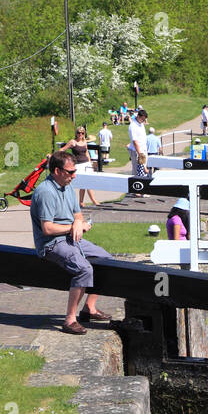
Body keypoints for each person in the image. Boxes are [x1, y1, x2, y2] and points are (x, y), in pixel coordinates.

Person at [30, 151, 114, 334]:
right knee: (84, 269)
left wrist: (78, 223)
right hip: (51, 243)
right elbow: (48, 229)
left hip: (70, 238)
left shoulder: (67, 185)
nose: (74, 175)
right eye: (70, 171)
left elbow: (77, 214)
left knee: (107, 260)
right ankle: (69, 320)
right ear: (57, 171)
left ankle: (89, 308)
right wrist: (72, 227)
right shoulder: (45, 192)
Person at [61, 125, 98, 208]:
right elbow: (63, 149)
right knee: (83, 183)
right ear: (76, 133)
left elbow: (87, 153)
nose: (80, 134)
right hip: (78, 165)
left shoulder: (84, 142)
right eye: (79, 133)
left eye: (82, 133)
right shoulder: (73, 142)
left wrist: (90, 163)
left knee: (87, 183)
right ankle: (92, 200)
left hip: (86, 164)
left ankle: (82, 201)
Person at [127, 107, 150, 180]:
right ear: (138, 116)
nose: (143, 121)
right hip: (137, 151)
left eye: (144, 120)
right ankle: (136, 189)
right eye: (142, 119)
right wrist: (140, 154)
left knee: (144, 170)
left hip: (143, 149)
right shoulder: (133, 126)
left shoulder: (141, 124)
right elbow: (135, 141)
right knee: (137, 171)